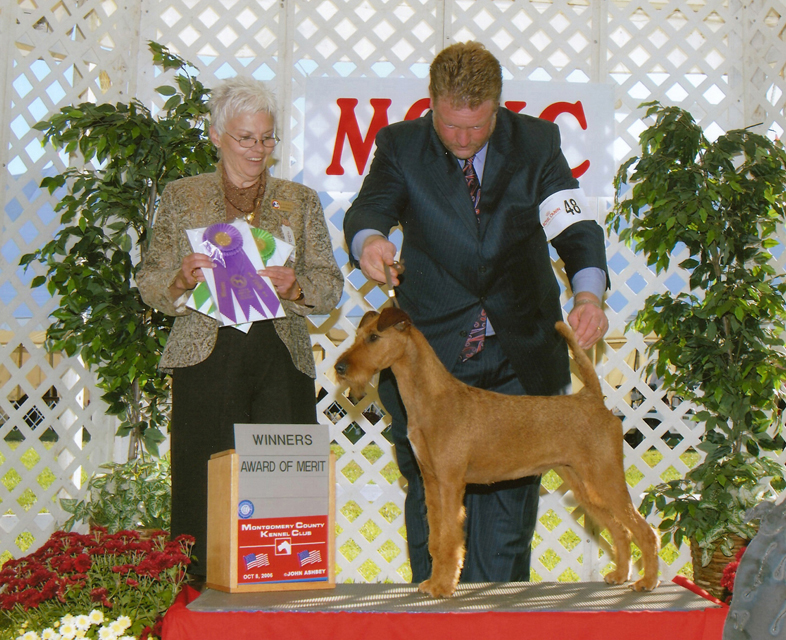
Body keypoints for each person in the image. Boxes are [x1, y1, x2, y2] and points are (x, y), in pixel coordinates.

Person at [343, 41, 610, 584]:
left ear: (498, 105)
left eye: (477, 126)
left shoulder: (537, 141)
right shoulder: (399, 144)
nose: (462, 140)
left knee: (509, 523)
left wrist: (588, 293)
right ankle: (434, 609)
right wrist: (369, 240)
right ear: (433, 103)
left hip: (521, 355)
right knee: (431, 498)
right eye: (450, 125)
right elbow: (369, 208)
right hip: (433, 364)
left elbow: (574, 223)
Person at [138, 76, 343, 578]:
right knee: (200, 488)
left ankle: (282, 601)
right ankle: (196, 598)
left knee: (281, 494)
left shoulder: (299, 200)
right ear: (215, 135)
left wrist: (297, 288)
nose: (259, 149)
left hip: (281, 355)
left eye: (267, 137)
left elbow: (329, 285)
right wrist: (180, 279)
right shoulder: (181, 197)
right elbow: (149, 281)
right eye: (246, 137)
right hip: (205, 355)